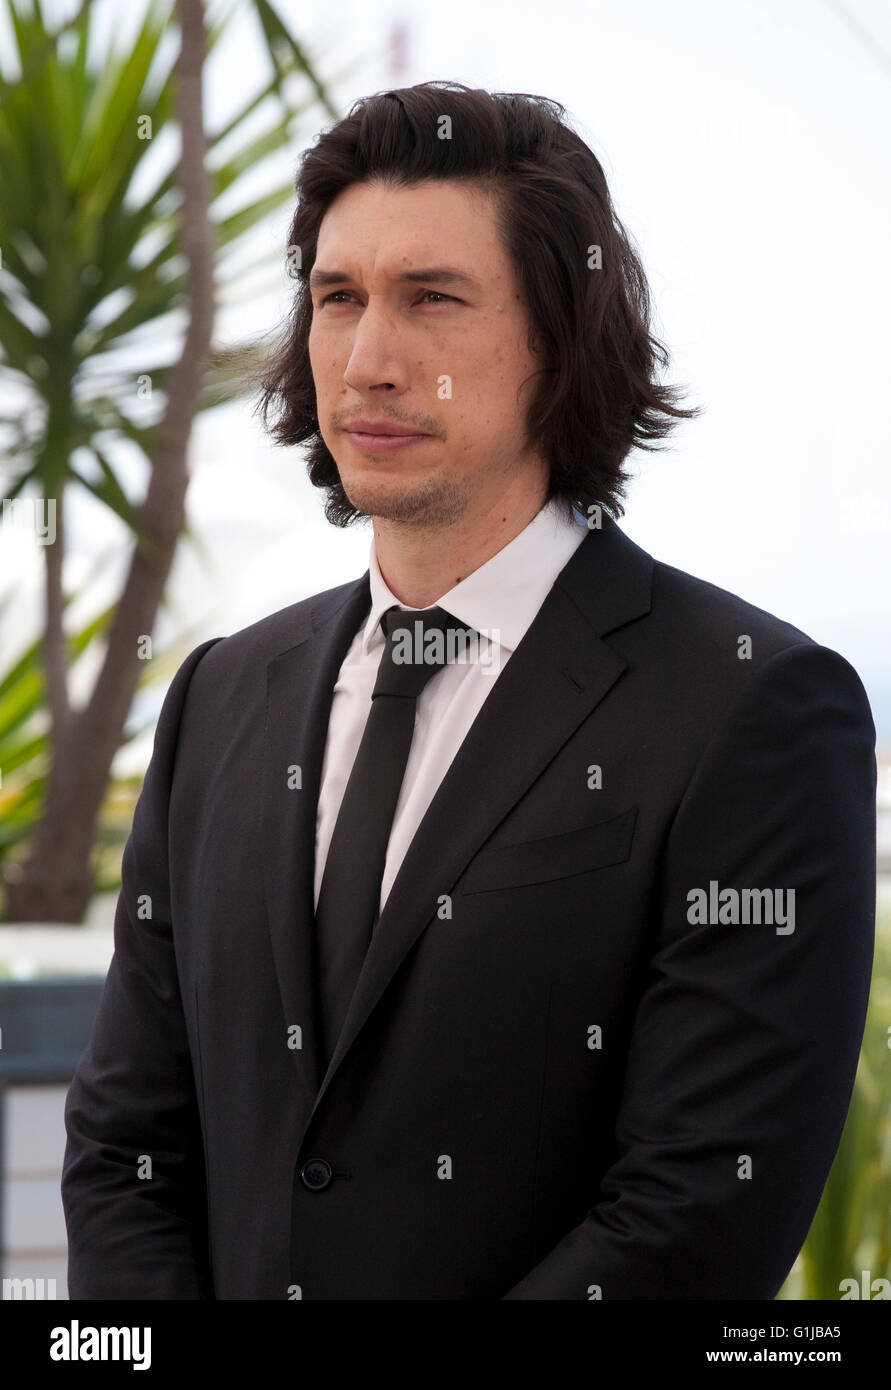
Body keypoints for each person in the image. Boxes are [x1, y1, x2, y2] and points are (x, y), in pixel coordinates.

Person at [62, 81, 876, 1300]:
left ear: (560, 333)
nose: (370, 360)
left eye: (432, 299)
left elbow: (703, 1208)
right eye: (338, 299)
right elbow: (127, 1146)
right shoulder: (221, 699)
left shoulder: (753, 707)